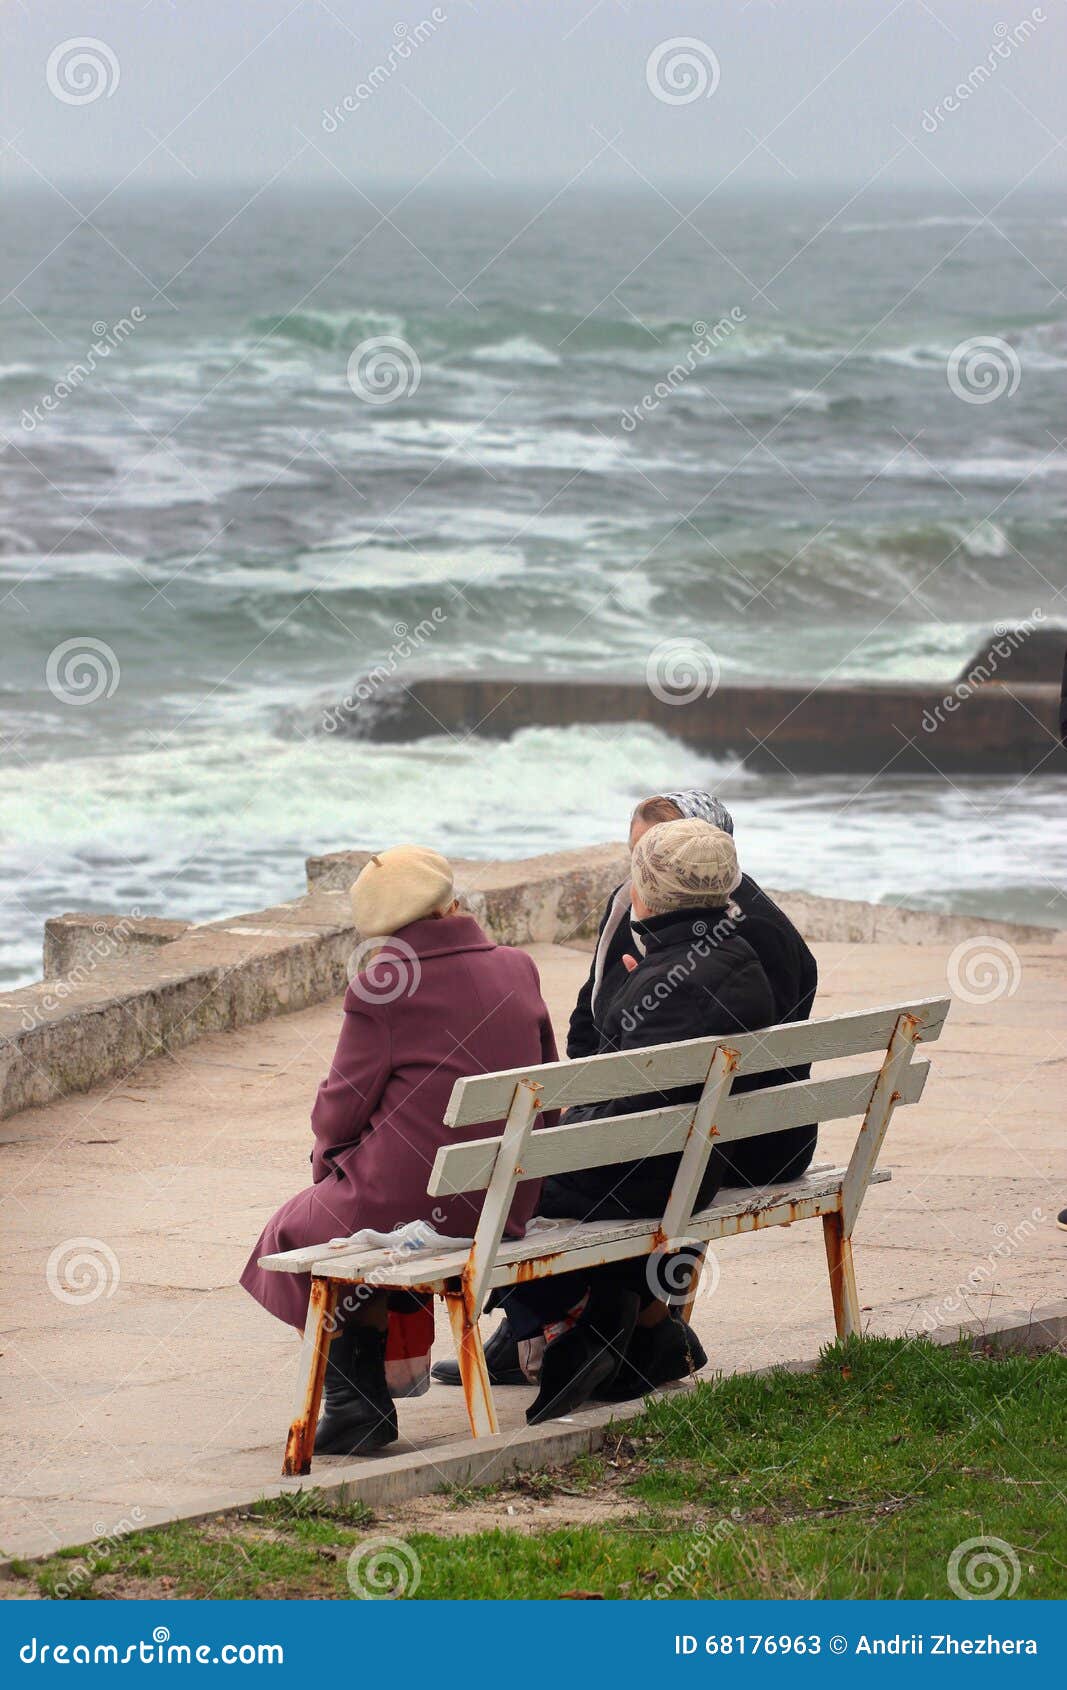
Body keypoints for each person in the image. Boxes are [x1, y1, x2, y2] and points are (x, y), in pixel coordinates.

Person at [434, 788, 820, 1393]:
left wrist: (635, 1003)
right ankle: (629, 1328)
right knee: (590, 1162)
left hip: (730, 1138)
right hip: (698, 1126)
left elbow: (653, 1046)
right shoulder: (695, 938)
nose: (640, 868)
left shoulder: (706, 954)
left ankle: (596, 1321)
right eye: (639, 852)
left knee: (515, 1185)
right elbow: (600, 1028)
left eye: (654, 856)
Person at [241, 844, 558, 1456]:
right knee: (348, 1215)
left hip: (421, 1203)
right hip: (507, 1196)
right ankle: (363, 1398)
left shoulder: (381, 988)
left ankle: (357, 1402)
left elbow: (340, 1107)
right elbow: (547, 1075)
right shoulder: (517, 966)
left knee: (295, 1229)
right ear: (450, 903)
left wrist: (329, 1168)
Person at [509, 818, 779, 1423]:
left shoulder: (665, 976)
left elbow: (614, 1110)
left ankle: (587, 1333)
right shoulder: (740, 959)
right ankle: (630, 1332)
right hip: (695, 1167)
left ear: (647, 893)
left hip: (641, 1176)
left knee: (495, 1191)